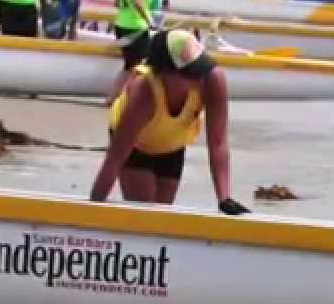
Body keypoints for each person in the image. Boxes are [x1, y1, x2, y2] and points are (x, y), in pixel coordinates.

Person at [90, 30, 247, 214]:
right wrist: (93, 209)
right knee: (147, 216)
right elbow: (115, 159)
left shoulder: (212, 80)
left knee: (163, 213)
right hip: (136, 147)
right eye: (190, 73)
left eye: (200, 69)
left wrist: (224, 199)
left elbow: (218, 142)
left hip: (172, 145)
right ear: (163, 73)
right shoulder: (144, 92)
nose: (198, 79)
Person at [108, 0, 155, 103]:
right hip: (136, 27)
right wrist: (149, 21)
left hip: (121, 24)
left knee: (129, 65)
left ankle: (113, 97)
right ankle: (130, 98)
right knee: (140, 65)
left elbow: (116, 3)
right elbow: (138, 1)